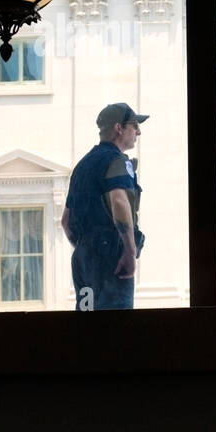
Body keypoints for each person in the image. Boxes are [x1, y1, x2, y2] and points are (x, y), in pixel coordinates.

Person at [61, 103, 148, 310]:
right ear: (119, 128)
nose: (138, 131)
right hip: (110, 256)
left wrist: (86, 248)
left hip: (82, 258)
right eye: (134, 125)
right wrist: (128, 250)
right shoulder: (117, 161)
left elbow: (65, 221)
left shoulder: (82, 166)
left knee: (87, 323)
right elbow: (119, 201)